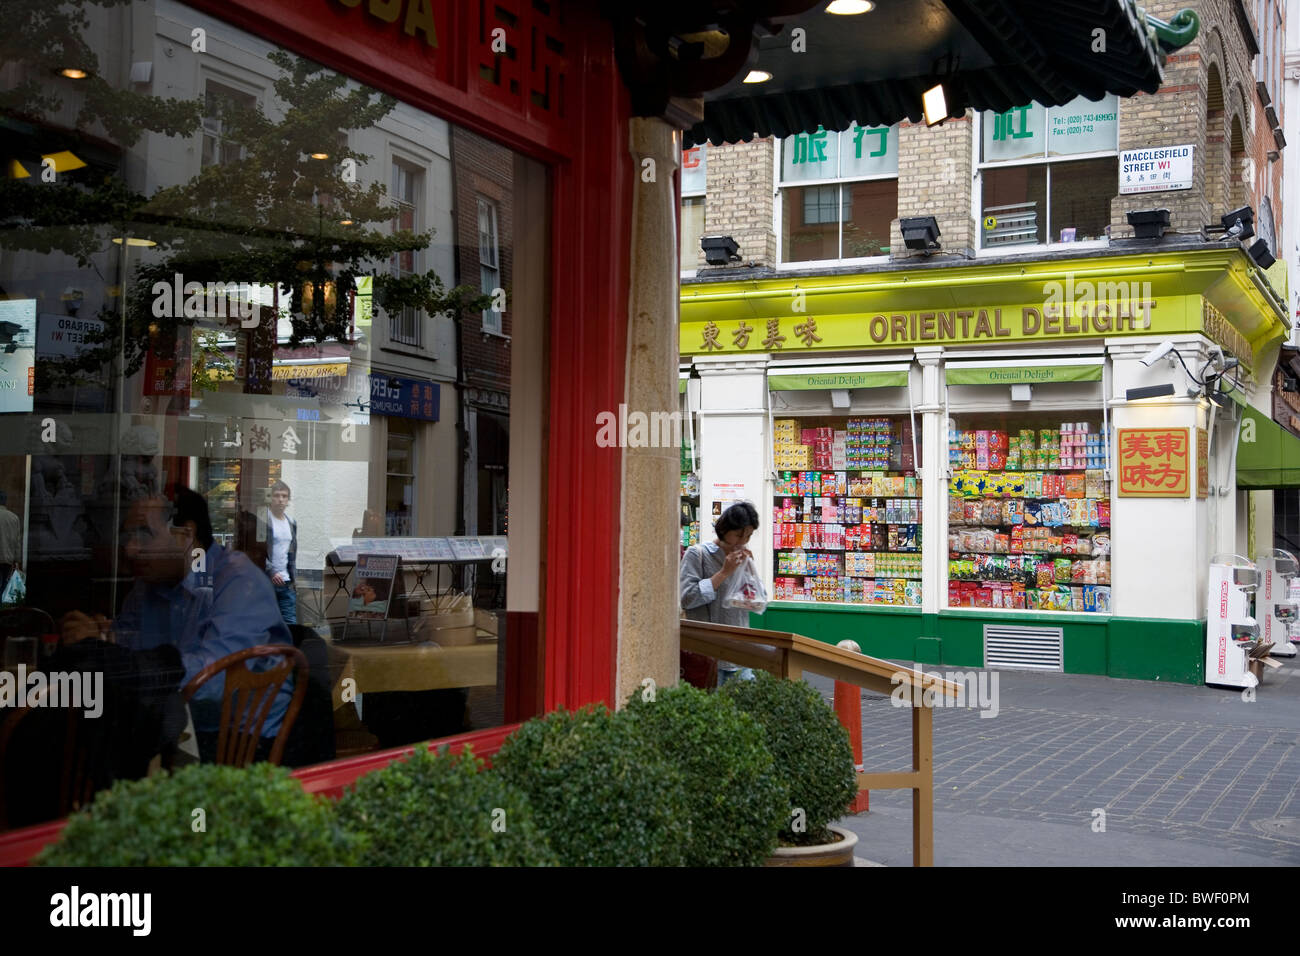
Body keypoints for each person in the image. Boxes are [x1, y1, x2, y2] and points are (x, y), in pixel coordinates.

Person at [61, 486, 295, 764]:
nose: (130, 548)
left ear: (186, 535)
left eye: (143, 534)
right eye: (128, 536)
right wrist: (100, 638)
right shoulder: (148, 586)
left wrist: (118, 659)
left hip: (237, 743)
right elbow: (129, 644)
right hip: (175, 729)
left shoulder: (238, 581)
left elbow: (212, 681)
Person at [679, 501, 760, 684]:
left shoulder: (743, 558)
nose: (742, 541)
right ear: (724, 529)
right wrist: (724, 573)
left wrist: (751, 575)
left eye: (748, 536)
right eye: (738, 535)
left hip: (740, 655)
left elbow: (755, 603)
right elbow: (687, 598)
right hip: (707, 656)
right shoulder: (697, 554)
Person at [263, 480, 298, 624]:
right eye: (277, 495)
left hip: (285, 581)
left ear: (288, 500)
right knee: (266, 623)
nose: (281, 499)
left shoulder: (291, 522)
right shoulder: (263, 519)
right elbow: (257, 551)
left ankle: (288, 647)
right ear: (270, 498)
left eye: (284, 496)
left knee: (290, 623)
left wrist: (293, 579)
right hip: (266, 581)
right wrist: (271, 571)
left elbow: (291, 553)